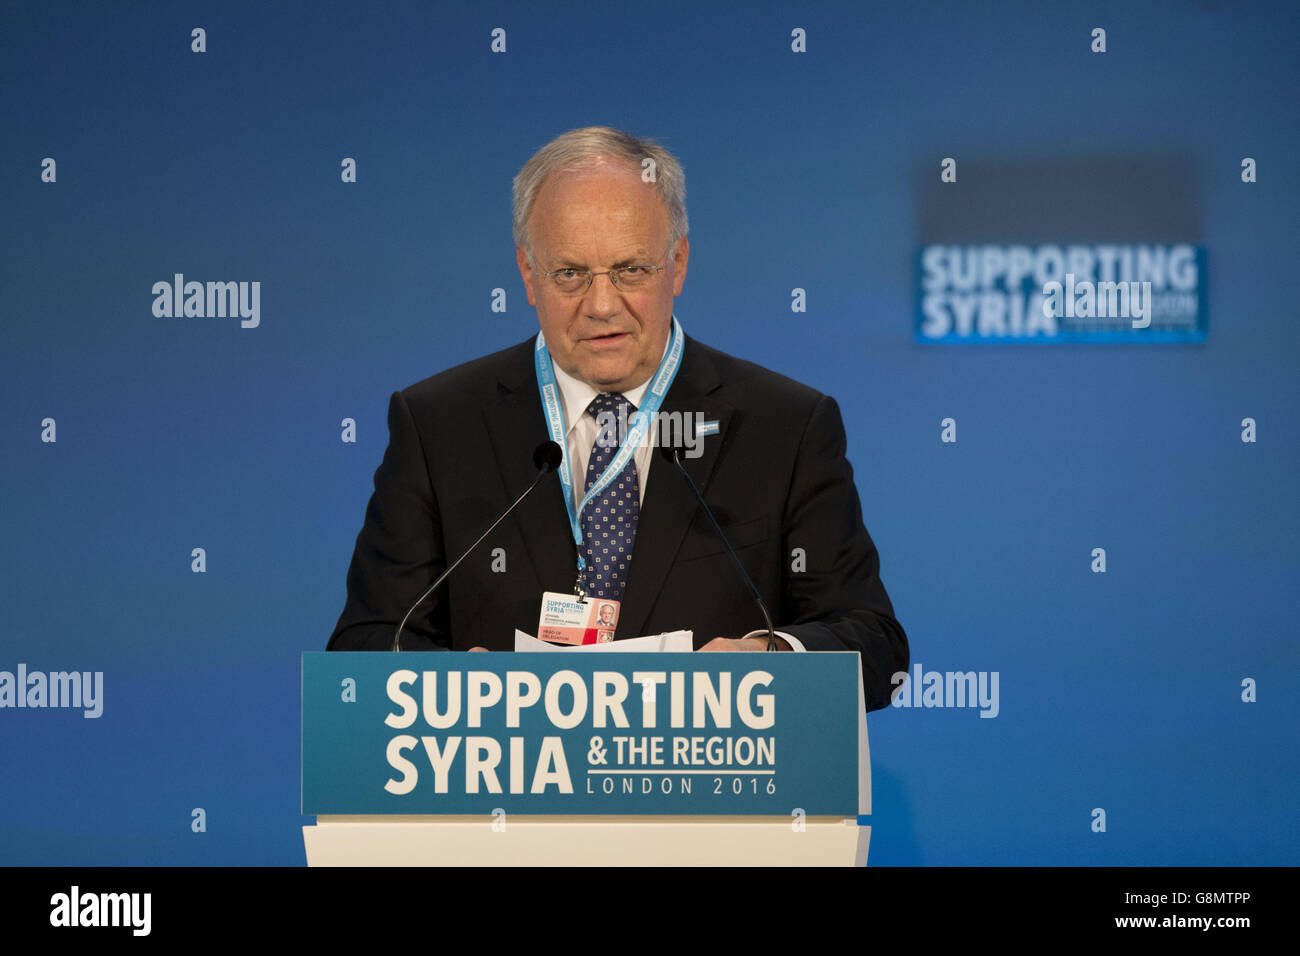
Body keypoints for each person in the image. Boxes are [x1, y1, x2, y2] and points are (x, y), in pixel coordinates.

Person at [327, 127, 908, 711]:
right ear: (529, 275)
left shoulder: (786, 426)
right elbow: (364, 646)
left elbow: (878, 651)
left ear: (677, 264)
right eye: (569, 274)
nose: (601, 304)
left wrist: (770, 659)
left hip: (709, 793)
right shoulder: (439, 426)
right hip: (512, 789)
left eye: (631, 269)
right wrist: (450, 686)